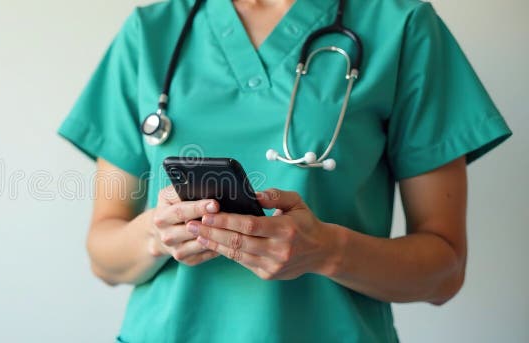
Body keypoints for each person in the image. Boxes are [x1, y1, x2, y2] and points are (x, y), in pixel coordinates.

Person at [57, 0, 512, 341]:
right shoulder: (153, 33)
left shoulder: (402, 27)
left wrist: (328, 251)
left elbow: (444, 271)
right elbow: (104, 257)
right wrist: (156, 235)